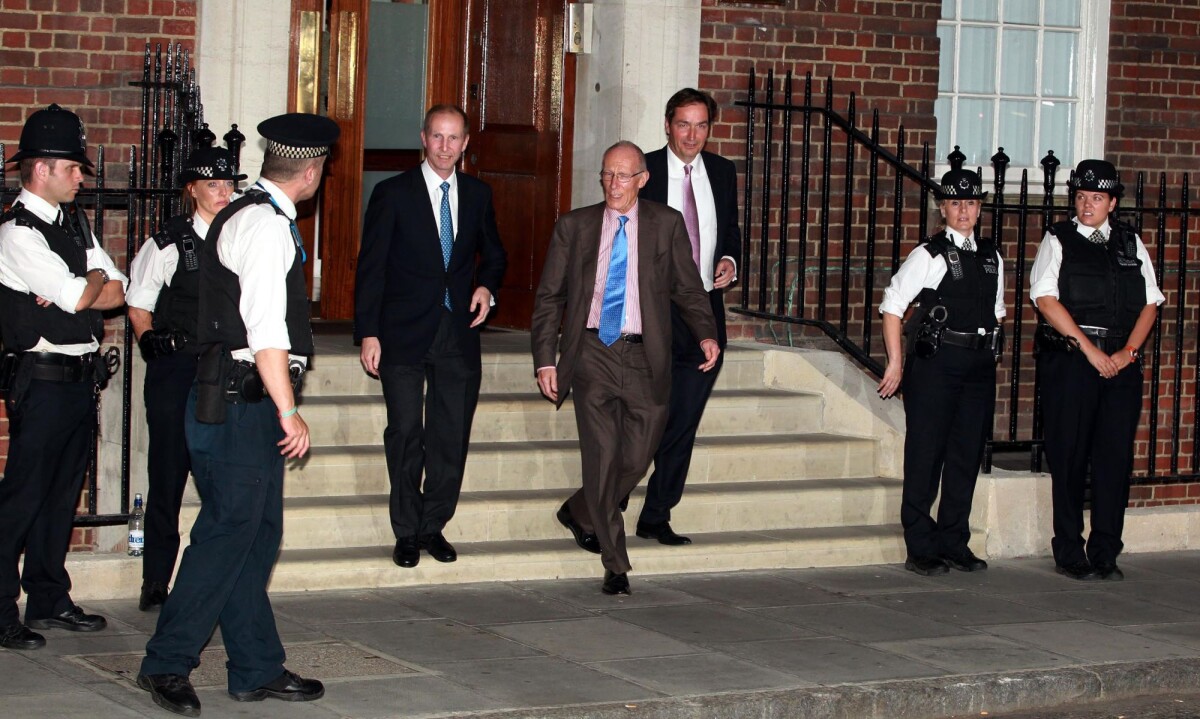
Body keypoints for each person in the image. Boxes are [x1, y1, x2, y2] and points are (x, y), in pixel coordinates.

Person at [137, 113, 338, 716]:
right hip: (240, 402)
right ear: (313, 170)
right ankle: (166, 662)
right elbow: (265, 327)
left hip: (226, 397)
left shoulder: (246, 214)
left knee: (256, 535)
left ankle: (254, 667)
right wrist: (288, 409)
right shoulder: (267, 227)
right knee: (227, 535)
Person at [531, 140, 720, 596]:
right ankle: (615, 564)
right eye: (607, 175)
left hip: (644, 355)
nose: (614, 184)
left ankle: (579, 509)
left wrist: (706, 332)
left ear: (642, 179)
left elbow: (688, 289)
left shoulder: (665, 224)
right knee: (601, 459)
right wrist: (544, 360)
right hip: (592, 352)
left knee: (637, 455)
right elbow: (549, 298)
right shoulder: (574, 226)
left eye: (623, 175)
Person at [354, 104, 507, 570]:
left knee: (450, 433)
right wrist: (368, 332)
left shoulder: (479, 194)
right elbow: (371, 268)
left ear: (465, 144)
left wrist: (486, 287)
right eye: (437, 137)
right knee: (405, 432)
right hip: (401, 332)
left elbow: (496, 255)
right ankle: (405, 528)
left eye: (453, 138)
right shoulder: (392, 193)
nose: (445, 146)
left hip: (456, 332)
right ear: (424, 138)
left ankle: (432, 524)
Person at [0, 104, 127, 651]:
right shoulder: (16, 233)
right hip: (42, 376)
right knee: (23, 497)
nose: (81, 175)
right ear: (40, 168)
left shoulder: (71, 223)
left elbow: (119, 291)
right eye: (72, 167)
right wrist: (87, 281)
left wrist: (85, 283)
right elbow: (84, 295)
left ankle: (49, 596)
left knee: (60, 496)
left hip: (79, 376)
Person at [1030, 159, 1164, 582]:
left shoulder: (1129, 241)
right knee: (1069, 454)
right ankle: (1069, 550)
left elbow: (1150, 302)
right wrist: (1089, 351)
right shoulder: (1059, 237)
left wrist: (1128, 352)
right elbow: (1046, 300)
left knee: (1112, 458)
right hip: (1072, 360)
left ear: (1112, 202)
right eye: (1082, 197)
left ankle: (1106, 550)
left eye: (1097, 199)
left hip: (1121, 362)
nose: (1087, 206)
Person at [125, 146, 245, 612]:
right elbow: (139, 302)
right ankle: (155, 579)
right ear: (191, 189)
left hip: (222, 368)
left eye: (228, 184)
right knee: (169, 473)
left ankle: (212, 578)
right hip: (177, 370)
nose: (222, 193)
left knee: (221, 478)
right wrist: (148, 338)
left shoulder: (241, 236)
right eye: (212, 185)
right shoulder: (169, 242)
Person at [877, 168, 1005, 577]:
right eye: (955, 203)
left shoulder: (991, 257)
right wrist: (897, 362)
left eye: (970, 203)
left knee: (966, 456)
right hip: (937, 365)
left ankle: (954, 541)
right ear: (942, 208)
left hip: (978, 365)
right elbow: (893, 306)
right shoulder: (928, 254)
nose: (963, 210)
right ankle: (921, 545)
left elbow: (998, 312)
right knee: (926, 455)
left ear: (980, 208)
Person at [633, 87, 741, 546]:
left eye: (701, 125)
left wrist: (731, 261)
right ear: (667, 124)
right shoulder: (644, 171)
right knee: (642, 421)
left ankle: (656, 514)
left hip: (704, 314)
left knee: (684, 420)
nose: (692, 135)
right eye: (684, 124)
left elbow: (729, 228)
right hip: (652, 313)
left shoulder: (722, 170)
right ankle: (599, 505)